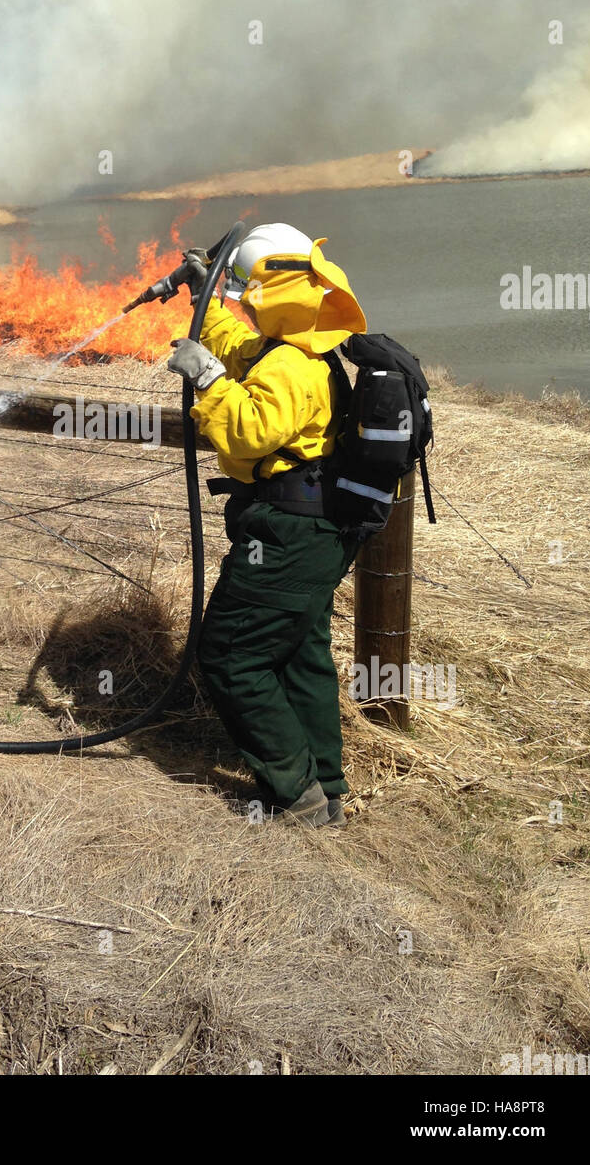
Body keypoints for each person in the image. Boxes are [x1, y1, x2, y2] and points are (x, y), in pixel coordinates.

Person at [167, 223, 367, 828]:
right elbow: (244, 349)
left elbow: (249, 431)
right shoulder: (303, 349)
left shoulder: (291, 370)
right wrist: (207, 303)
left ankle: (296, 790)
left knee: (231, 655)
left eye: (243, 290)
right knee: (301, 655)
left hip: (285, 536)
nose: (243, 303)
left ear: (268, 292)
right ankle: (326, 788)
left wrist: (205, 379)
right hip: (318, 531)